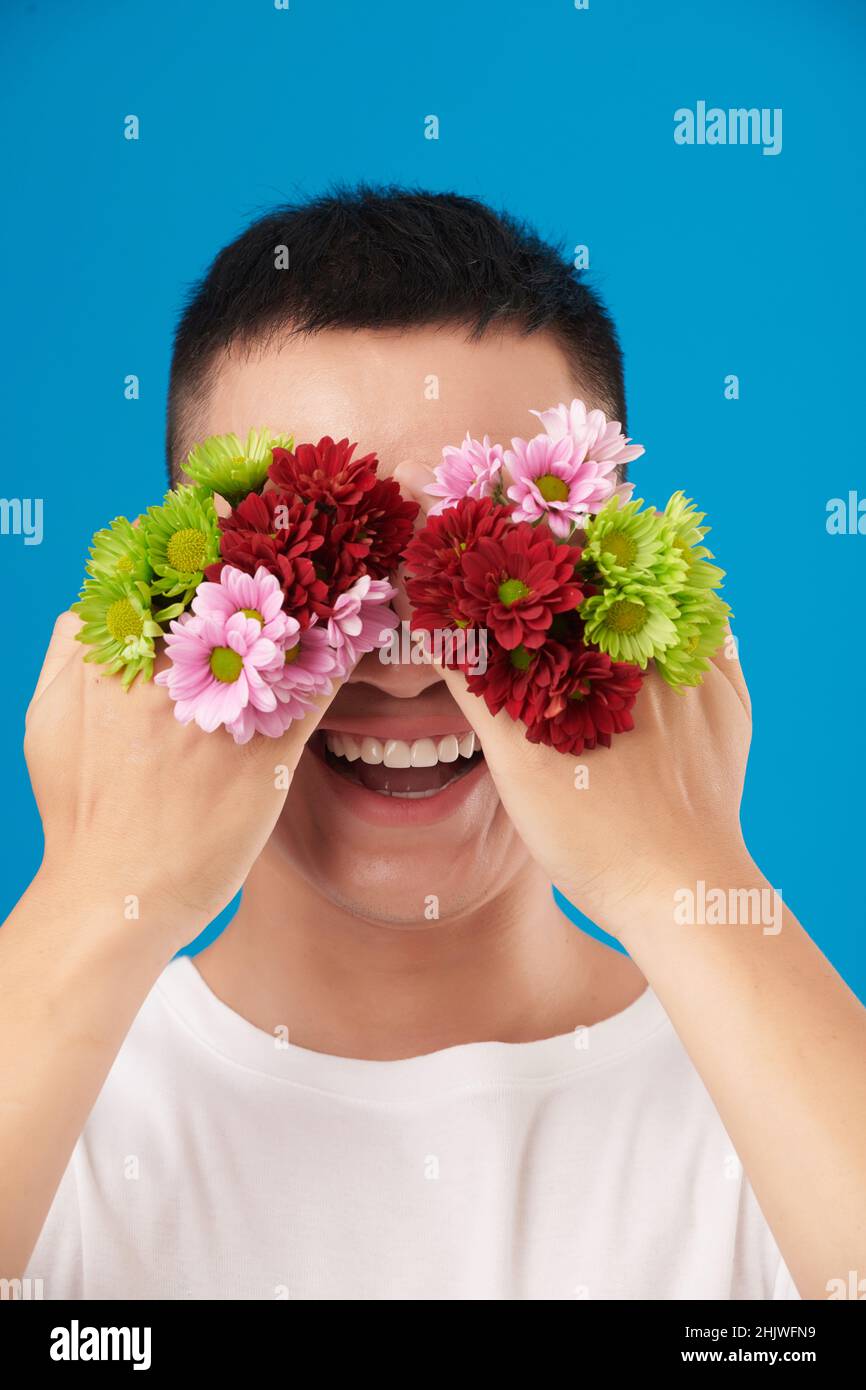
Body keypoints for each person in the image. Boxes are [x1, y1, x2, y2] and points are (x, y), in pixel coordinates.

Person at [3, 187, 865, 1301]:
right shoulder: (57, 1111)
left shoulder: (777, 1123)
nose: (410, 664)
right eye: (311, 570)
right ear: (177, 608)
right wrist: (93, 895)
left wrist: (684, 877)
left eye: (493, 557)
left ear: (617, 599)